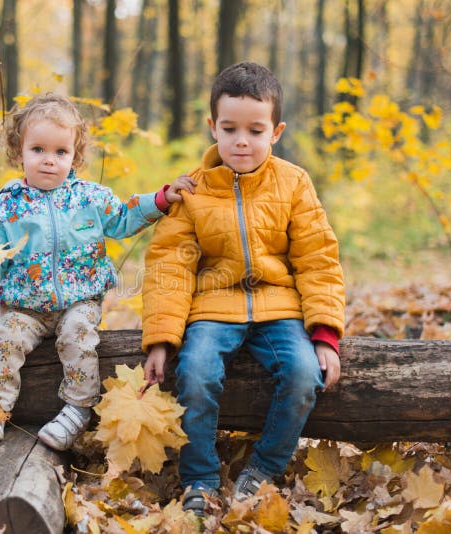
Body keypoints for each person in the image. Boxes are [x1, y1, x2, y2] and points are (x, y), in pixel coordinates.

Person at [141, 62, 345, 515]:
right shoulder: (191, 190)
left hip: (280, 307)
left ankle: (263, 469)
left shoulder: (294, 183)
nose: (241, 141)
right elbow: (169, 267)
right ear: (212, 126)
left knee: (300, 374)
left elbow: (318, 259)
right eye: (229, 128)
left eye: (255, 130)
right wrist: (160, 337)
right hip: (213, 306)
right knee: (193, 374)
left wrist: (325, 334)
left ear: (276, 131)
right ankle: (199, 478)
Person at [0, 93, 195, 451]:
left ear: (75, 156)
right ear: (19, 152)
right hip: (24, 308)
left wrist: (160, 199)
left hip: (78, 300)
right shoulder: (4, 207)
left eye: (60, 152)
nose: (49, 161)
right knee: (4, 338)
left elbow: (123, 217)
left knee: (78, 334)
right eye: (38, 150)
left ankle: (77, 408)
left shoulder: (88, 198)